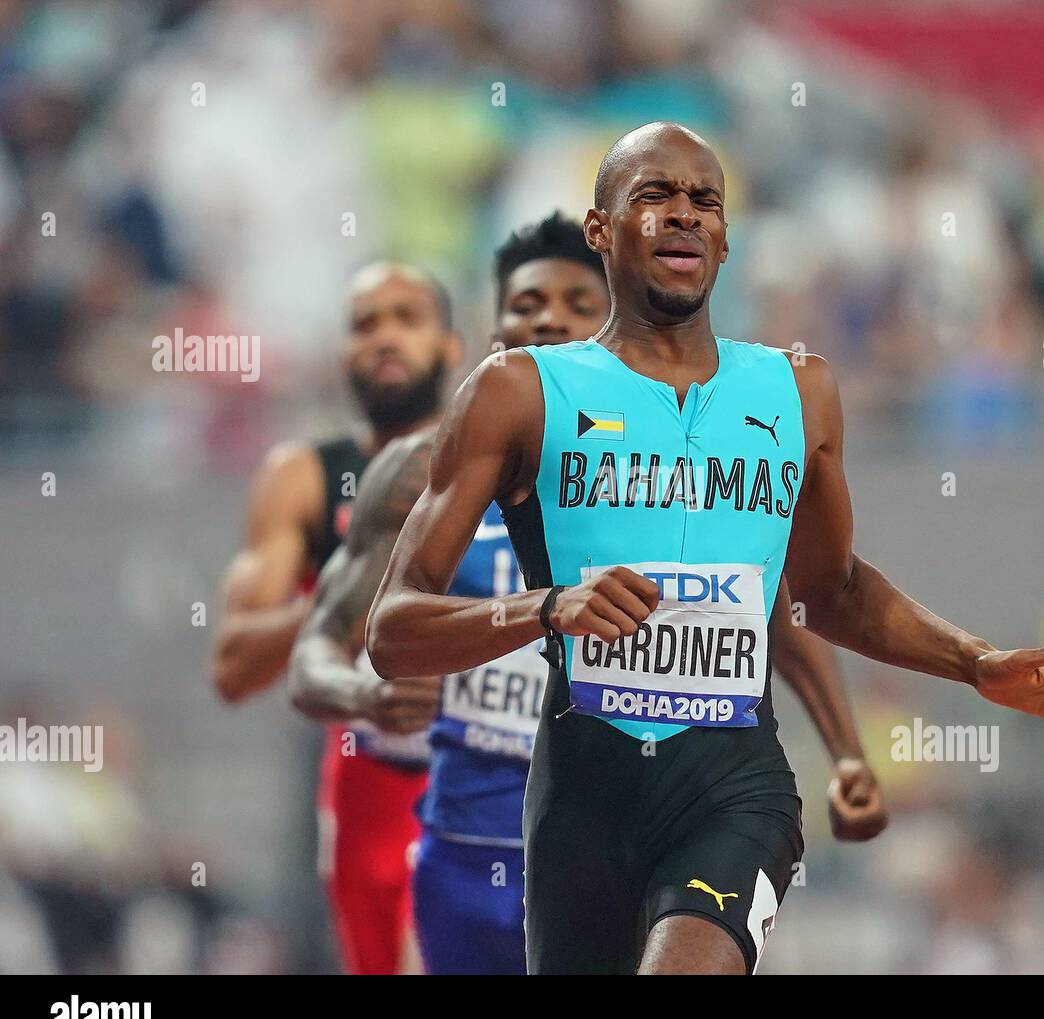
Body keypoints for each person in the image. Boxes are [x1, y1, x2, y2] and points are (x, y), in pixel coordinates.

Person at [367, 122, 1044, 975]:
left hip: (734, 788)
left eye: (704, 201)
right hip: (579, 800)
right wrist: (546, 607)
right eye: (653, 197)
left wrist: (977, 661)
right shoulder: (520, 392)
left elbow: (831, 590)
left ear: (726, 237)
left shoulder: (798, 389)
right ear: (600, 230)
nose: (683, 215)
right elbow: (393, 628)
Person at [290, 213, 885, 975]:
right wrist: (361, 695)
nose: (547, 320)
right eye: (525, 305)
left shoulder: (661, 471)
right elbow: (332, 643)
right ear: (492, 326)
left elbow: (782, 613)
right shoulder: (417, 476)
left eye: (574, 304)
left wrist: (846, 754)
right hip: (474, 843)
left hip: (632, 813)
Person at [212, 261, 461, 974]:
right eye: (364, 323)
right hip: (371, 779)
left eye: (406, 319)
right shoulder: (306, 477)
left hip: (493, 769)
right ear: (340, 352)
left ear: (450, 344)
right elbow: (233, 666)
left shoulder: (498, 463)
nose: (385, 337)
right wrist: (343, 598)